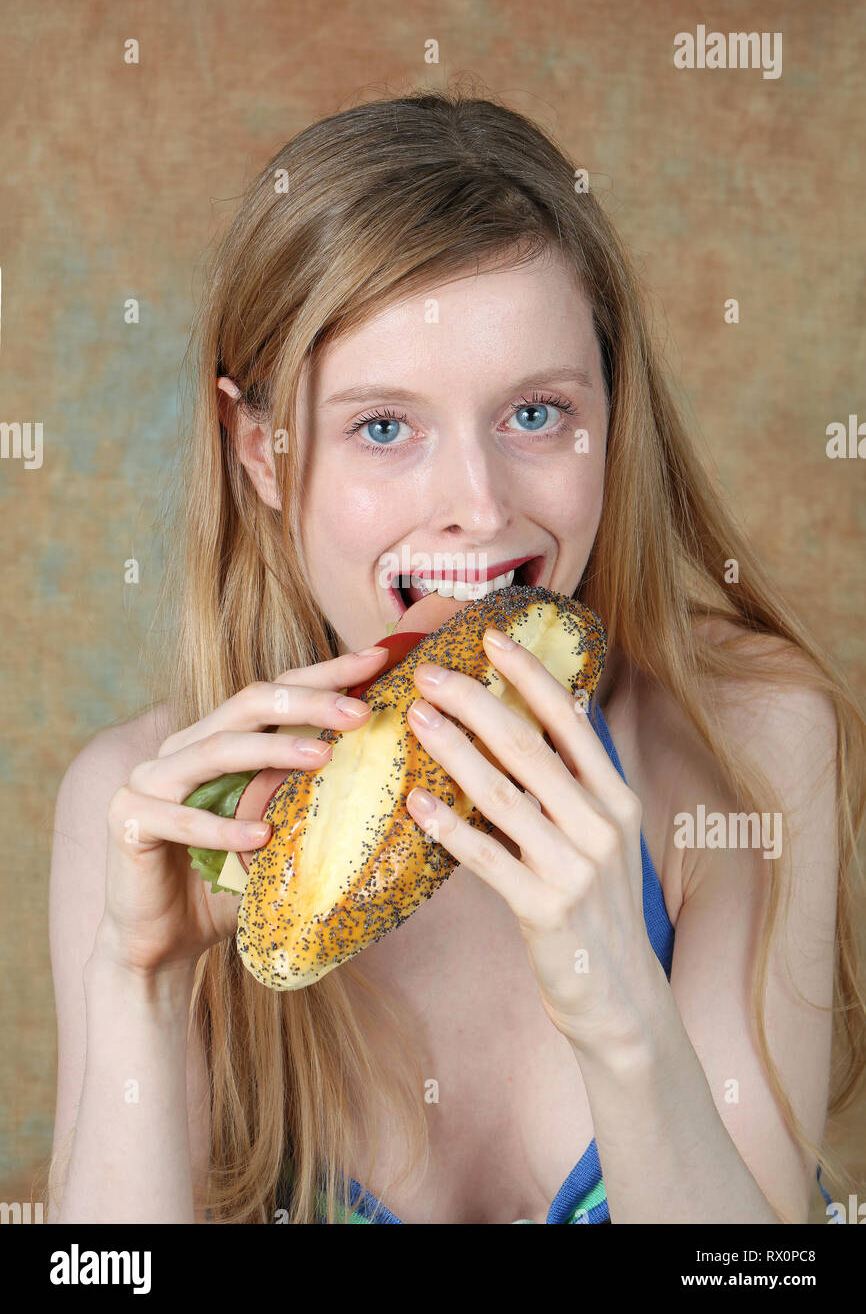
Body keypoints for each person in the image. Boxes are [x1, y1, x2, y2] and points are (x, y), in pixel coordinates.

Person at [43, 86, 865, 1225]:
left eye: (534, 414)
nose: (476, 510)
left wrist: (622, 1013)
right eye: (384, 428)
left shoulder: (753, 741)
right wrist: (142, 986)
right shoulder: (142, 813)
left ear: (611, 416)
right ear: (263, 454)